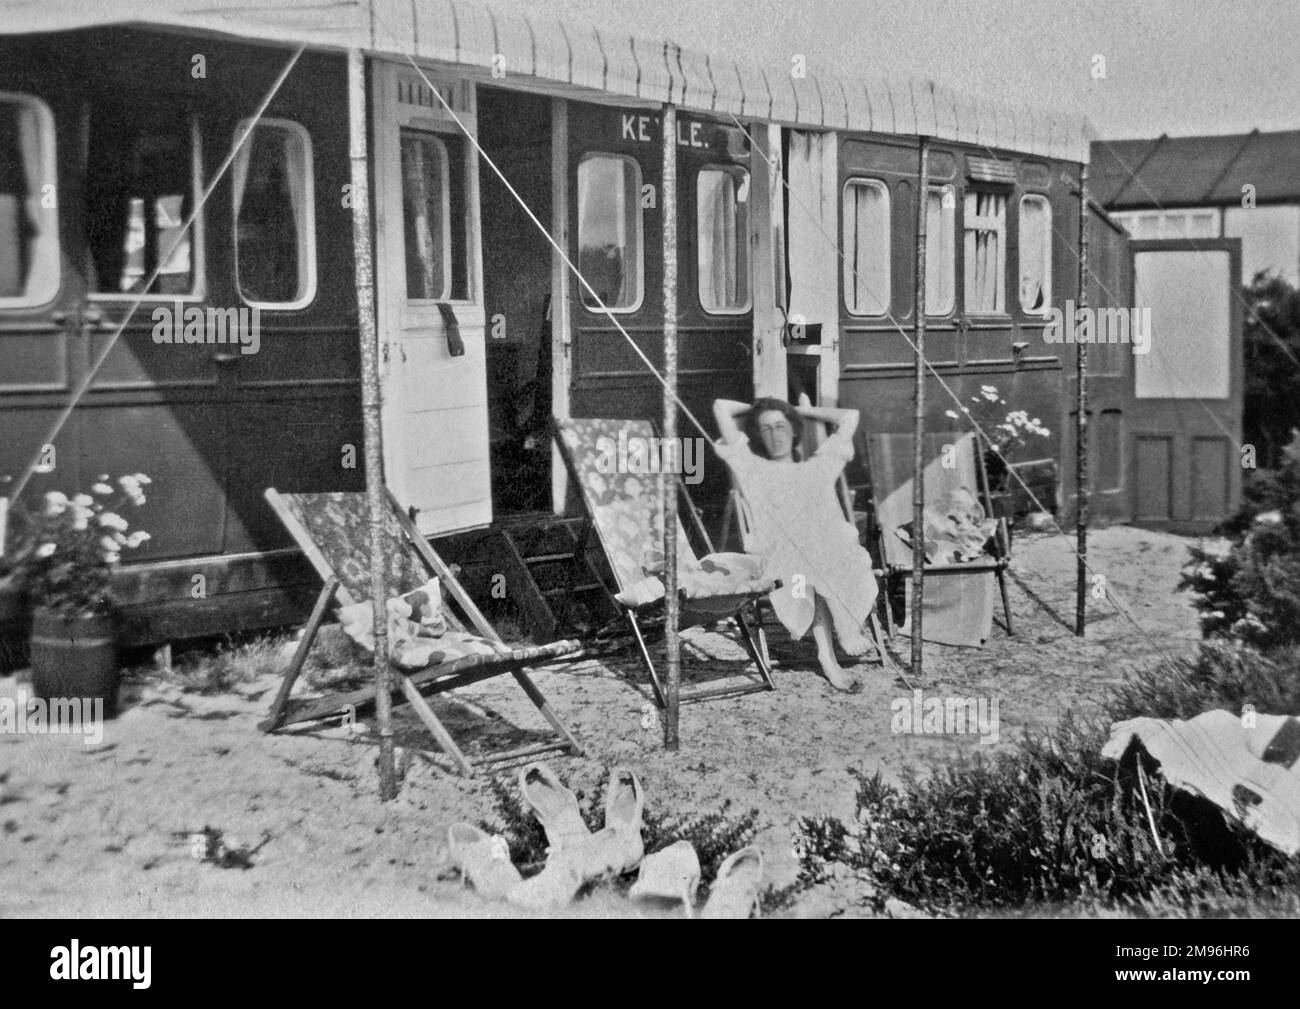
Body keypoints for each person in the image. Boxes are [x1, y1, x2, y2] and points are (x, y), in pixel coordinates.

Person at [713, 397, 879, 691]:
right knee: (807, 563)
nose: (774, 435)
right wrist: (763, 405)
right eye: (765, 429)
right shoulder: (752, 468)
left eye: (780, 426)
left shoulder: (818, 467)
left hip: (830, 552)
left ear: (794, 430)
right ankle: (833, 648)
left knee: (826, 554)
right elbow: (720, 407)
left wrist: (798, 410)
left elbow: (850, 415)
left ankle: (838, 637)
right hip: (785, 560)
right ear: (757, 436)